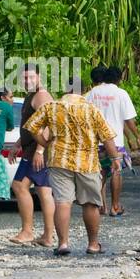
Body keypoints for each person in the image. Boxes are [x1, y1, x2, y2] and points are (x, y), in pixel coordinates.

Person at [25, 80, 120, 256]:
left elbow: (32, 127)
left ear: (65, 90)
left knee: (62, 202)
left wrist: (43, 143)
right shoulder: (92, 109)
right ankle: (92, 245)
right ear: (85, 91)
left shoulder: (51, 107)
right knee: (91, 203)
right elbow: (107, 137)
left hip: (59, 161)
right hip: (87, 163)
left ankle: (62, 244)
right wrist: (114, 158)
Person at [86, 65, 140, 216]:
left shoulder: (92, 93)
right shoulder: (121, 93)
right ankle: (115, 207)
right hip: (115, 142)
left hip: (96, 142)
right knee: (116, 171)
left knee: (101, 174)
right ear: (119, 79)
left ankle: (98, 206)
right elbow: (127, 119)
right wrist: (136, 136)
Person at [9, 64, 56, 246]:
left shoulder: (41, 96)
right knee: (44, 190)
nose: (27, 81)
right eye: (24, 78)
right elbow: (31, 126)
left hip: (37, 151)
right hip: (31, 148)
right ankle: (48, 236)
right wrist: (17, 144)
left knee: (19, 186)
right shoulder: (32, 95)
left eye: (31, 77)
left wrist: (40, 151)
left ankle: (28, 231)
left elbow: (48, 124)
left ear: (39, 77)